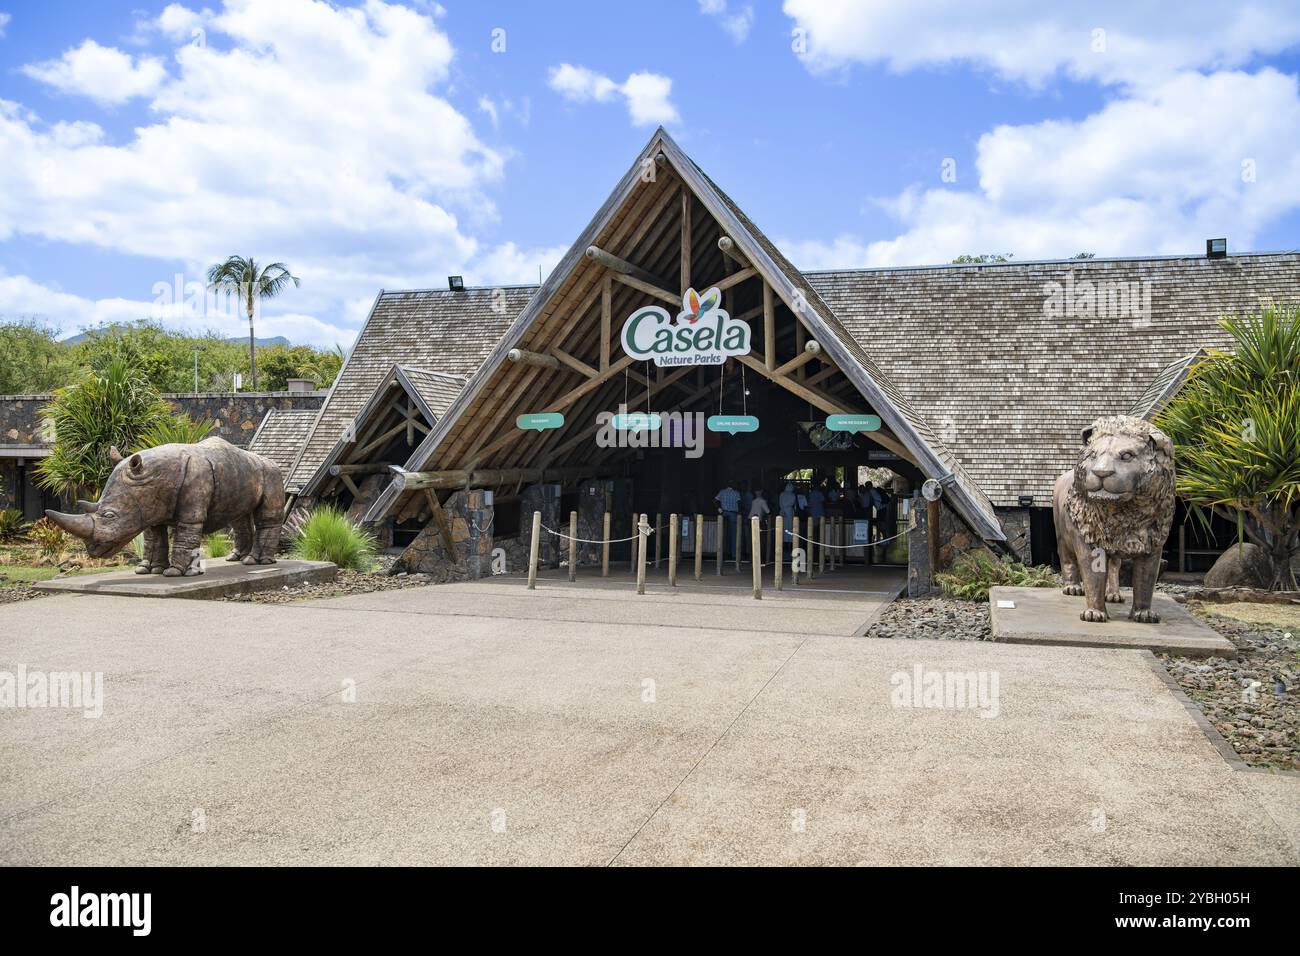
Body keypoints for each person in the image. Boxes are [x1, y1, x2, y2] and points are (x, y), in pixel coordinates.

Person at [714, 482, 741, 559]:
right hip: (733, 514)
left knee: (722, 533)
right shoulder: (736, 493)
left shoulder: (722, 492)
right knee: (734, 535)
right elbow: (739, 503)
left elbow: (715, 500)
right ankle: (734, 554)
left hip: (723, 513)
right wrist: (739, 513)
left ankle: (722, 553)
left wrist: (719, 508)